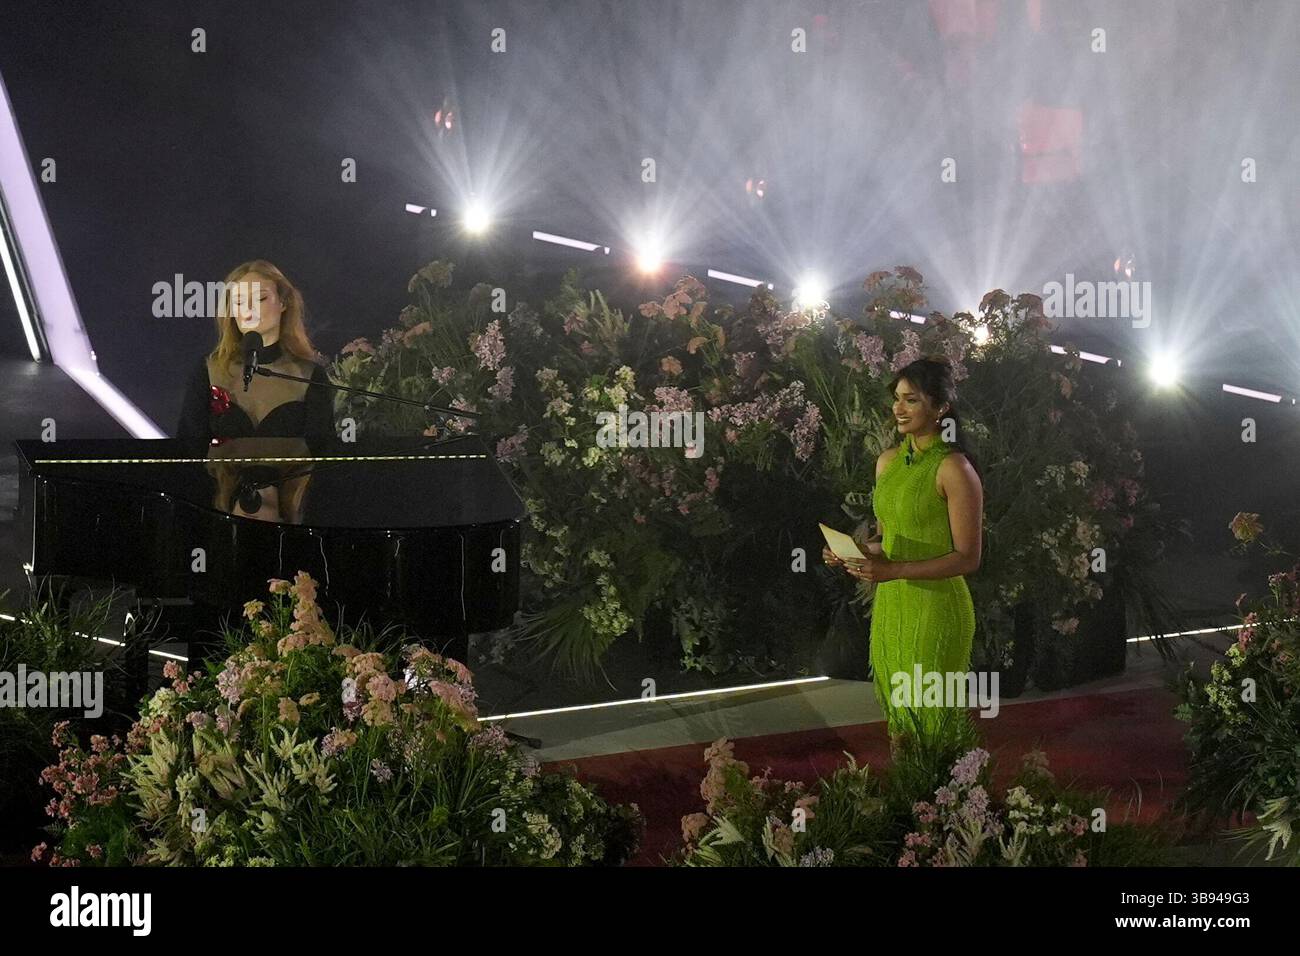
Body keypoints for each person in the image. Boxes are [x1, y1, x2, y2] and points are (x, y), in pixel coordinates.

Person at [824, 357, 984, 745]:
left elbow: (968, 557)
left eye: (910, 400)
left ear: (940, 406)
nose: (898, 408)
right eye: (896, 398)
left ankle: (947, 802)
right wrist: (860, 551)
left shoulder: (954, 468)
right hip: (892, 605)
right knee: (899, 723)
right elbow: (891, 538)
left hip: (937, 609)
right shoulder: (888, 462)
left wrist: (892, 570)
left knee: (932, 723)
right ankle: (916, 803)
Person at [177, 260, 335, 442]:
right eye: (238, 301)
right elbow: (187, 450)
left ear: (283, 303)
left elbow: (324, 456)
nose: (248, 309)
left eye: (260, 298)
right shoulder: (209, 370)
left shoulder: (309, 375)